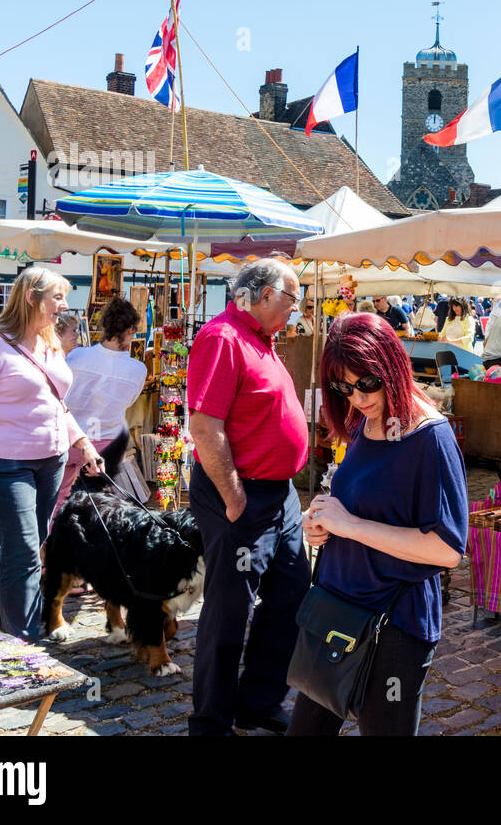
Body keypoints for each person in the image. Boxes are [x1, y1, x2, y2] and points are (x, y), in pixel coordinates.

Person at [292, 310, 467, 736]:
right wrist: (322, 520)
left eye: (366, 382)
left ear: (390, 364)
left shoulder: (430, 437)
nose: (357, 396)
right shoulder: (365, 422)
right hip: (338, 607)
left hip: (393, 625)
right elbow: (362, 502)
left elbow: (447, 549)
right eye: (344, 387)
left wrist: (349, 525)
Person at [0, 267, 102, 639]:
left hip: (51, 460)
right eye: (57, 298)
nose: (63, 306)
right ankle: (26, 643)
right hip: (4, 464)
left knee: (5, 547)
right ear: (31, 298)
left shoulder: (49, 344)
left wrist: (83, 442)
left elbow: (57, 403)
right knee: (27, 552)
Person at [187, 259, 311, 736]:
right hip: (241, 494)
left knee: (291, 596)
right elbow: (204, 426)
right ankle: (211, 721)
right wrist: (234, 498)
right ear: (262, 295)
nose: (296, 309)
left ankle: (257, 701)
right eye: (291, 298)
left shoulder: (261, 339)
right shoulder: (223, 337)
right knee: (229, 610)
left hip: (278, 495)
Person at [55, 296, 148, 510]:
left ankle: (52, 540)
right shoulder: (137, 369)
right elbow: (129, 401)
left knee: (59, 502)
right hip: (104, 444)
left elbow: (62, 394)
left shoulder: (77, 356)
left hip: (69, 438)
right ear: (130, 330)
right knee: (94, 505)